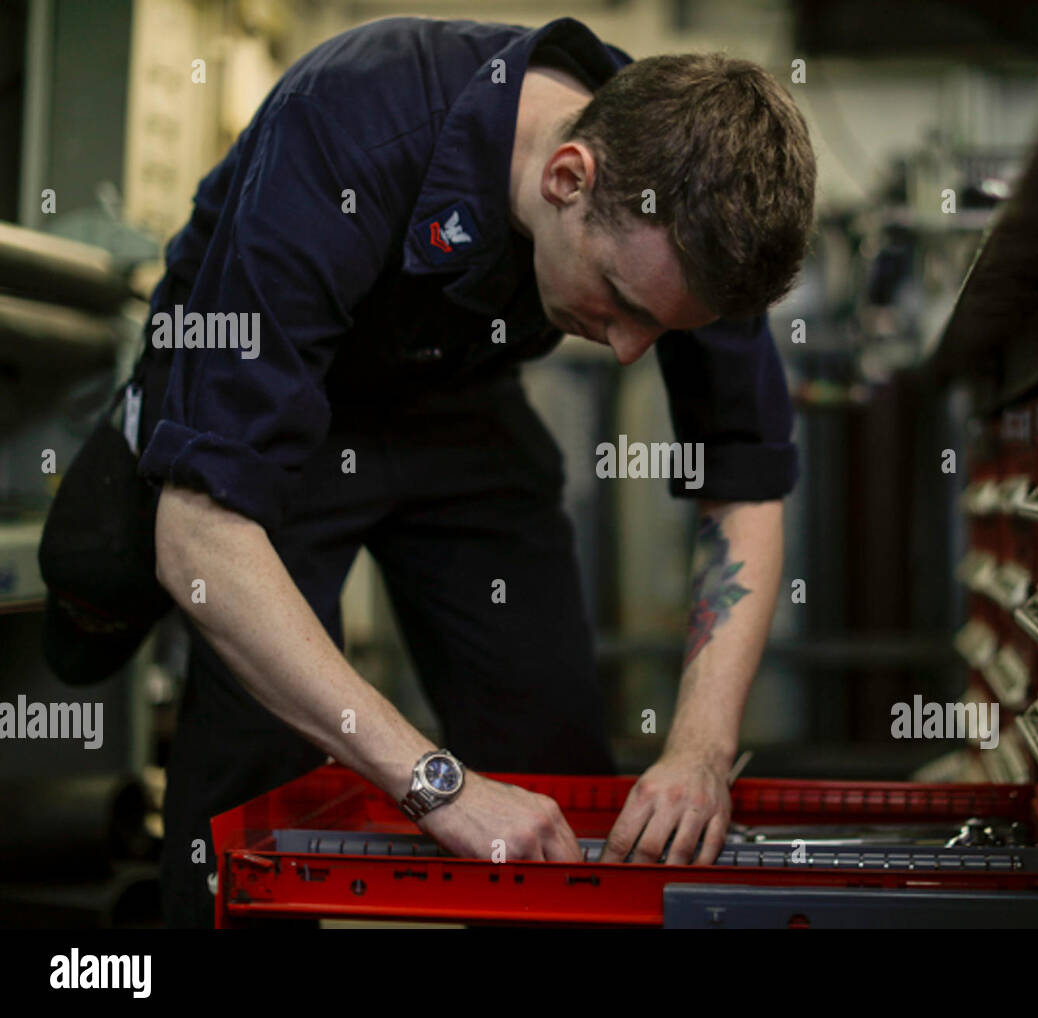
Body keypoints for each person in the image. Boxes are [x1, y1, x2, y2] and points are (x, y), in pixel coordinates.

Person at [133, 15, 816, 927]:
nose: (627, 353)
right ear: (567, 177)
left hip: (457, 395)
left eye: (664, 330)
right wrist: (437, 787)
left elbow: (744, 486)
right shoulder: (349, 124)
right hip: (270, 408)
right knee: (258, 788)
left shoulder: (697, 207)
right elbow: (197, 540)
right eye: (616, 303)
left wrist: (698, 747)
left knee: (554, 762)